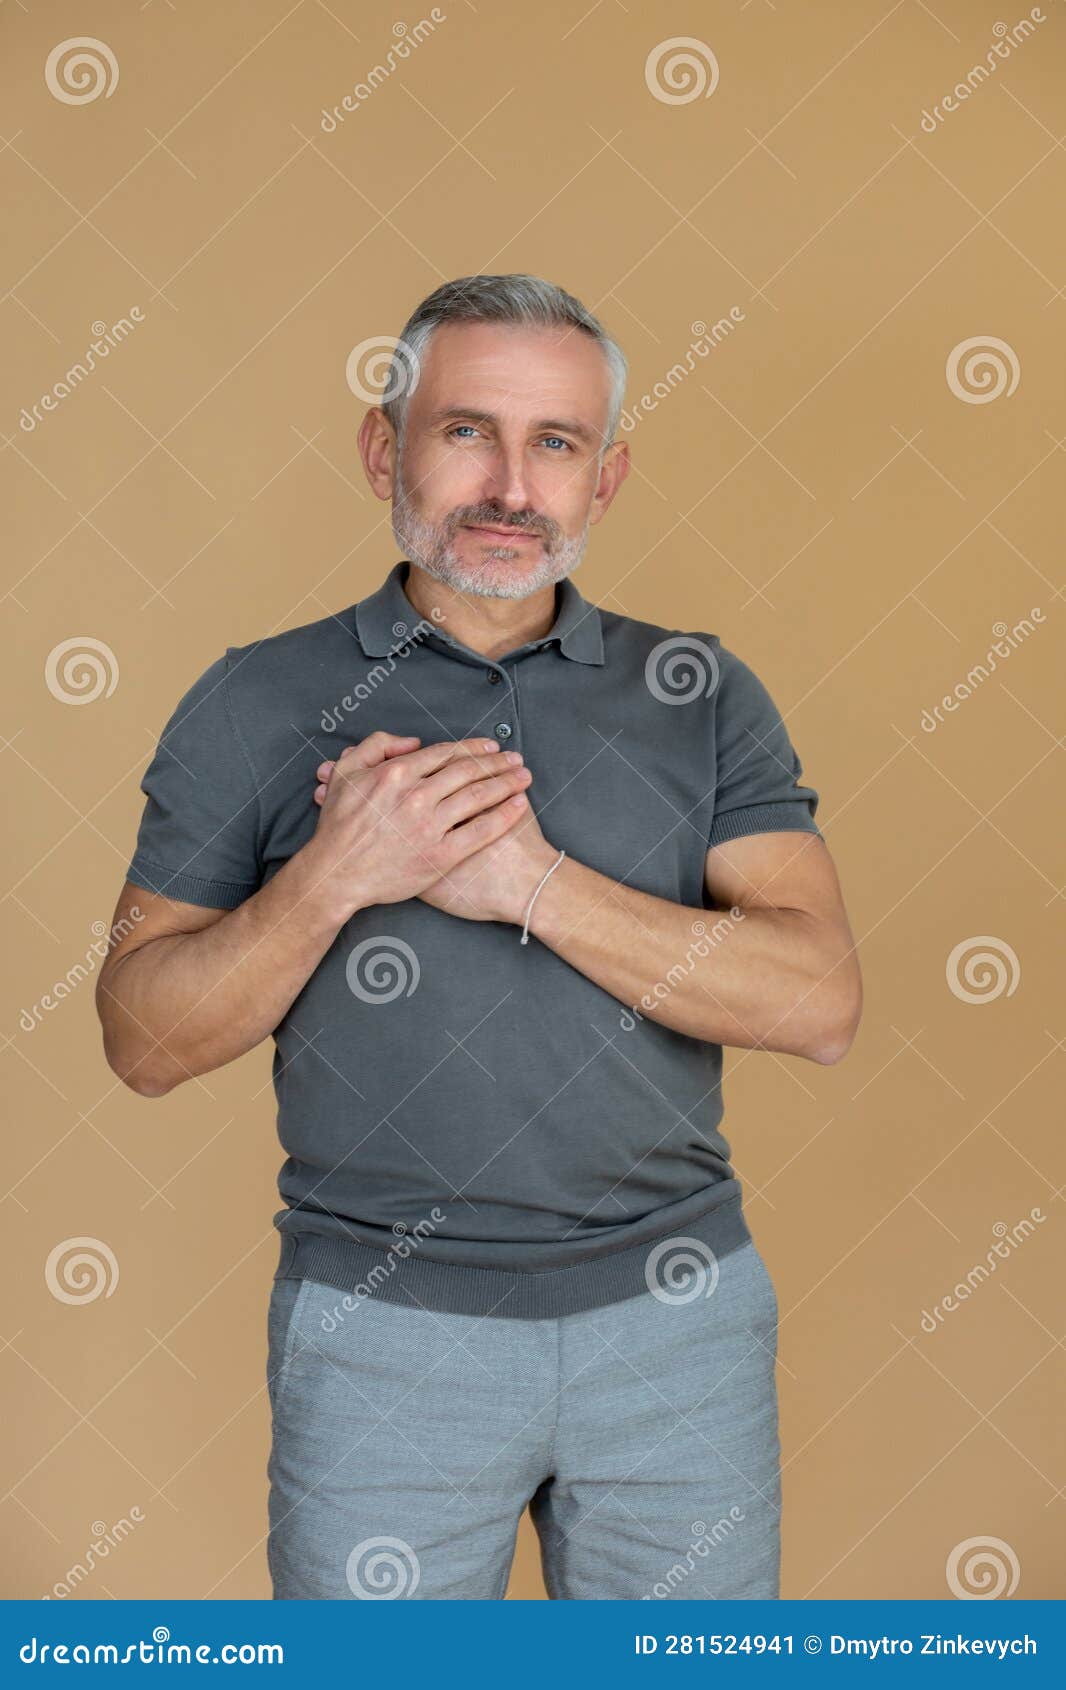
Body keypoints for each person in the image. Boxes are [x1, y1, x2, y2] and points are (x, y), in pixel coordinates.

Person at [96, 274, 862, 1601]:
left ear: (603, 479)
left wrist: (530, 882)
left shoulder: (698, 692)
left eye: (553, 443)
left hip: (677, 1326)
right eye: (466, 432)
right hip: (383, 1337)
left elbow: (818, 1001)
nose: (510, 483)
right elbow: (143, 1040)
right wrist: (339, 873)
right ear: (381, 446)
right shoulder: (252, 698)